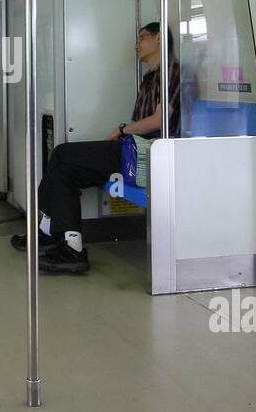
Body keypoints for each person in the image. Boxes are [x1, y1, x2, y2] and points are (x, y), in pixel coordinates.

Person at [10, 22, 194, 275]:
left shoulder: (172, 72)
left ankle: (46, 230)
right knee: (65, 173)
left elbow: (159, 120)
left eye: (142, 38)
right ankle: (72, 247)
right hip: (132, 150)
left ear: (160, 39)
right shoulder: (149, 77)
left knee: (62, 153)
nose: (137, 45)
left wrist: (122, 130)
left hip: (149, 153)